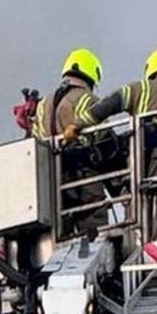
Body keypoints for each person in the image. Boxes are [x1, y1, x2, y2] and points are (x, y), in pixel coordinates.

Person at [68, 47, 157, 239]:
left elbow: (109, 104)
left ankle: (137, 248)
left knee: (136, 225)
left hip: (141, 162)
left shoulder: (141, 89)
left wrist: (77, 124)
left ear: (152, 71)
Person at [35, 48, 108, 237]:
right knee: (94, 224)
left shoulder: (43, 103)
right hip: (83, 177)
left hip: (51, 178)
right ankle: (91, 247)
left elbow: (35, 137)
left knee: (62, 231)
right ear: (92, 74)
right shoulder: (87, 98)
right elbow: (103, 136)